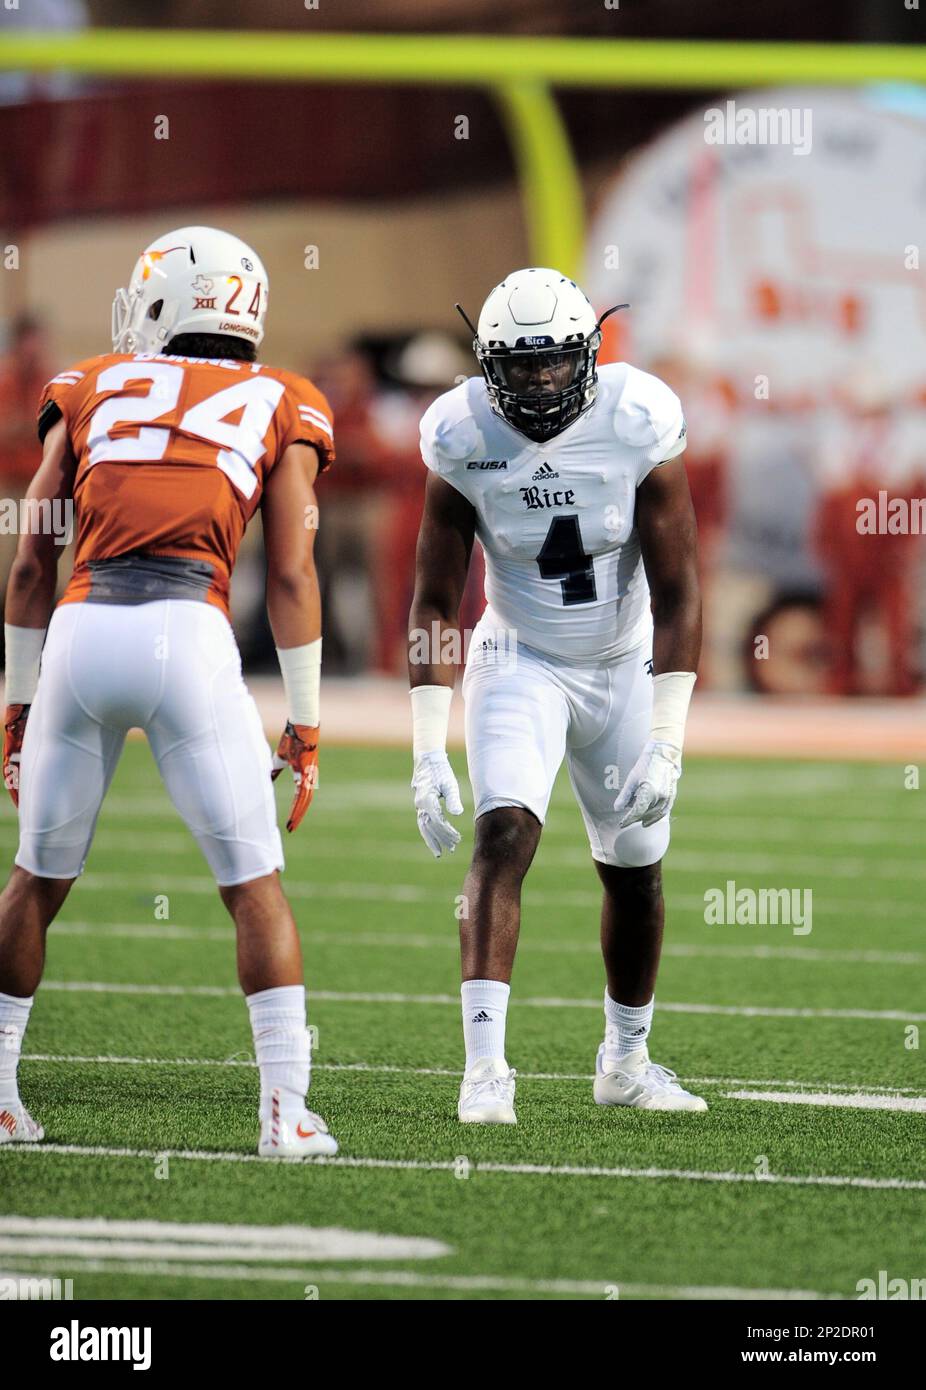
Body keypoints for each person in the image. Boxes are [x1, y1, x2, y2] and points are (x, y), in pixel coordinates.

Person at [0, 226, 338, 1157]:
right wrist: (305, 722)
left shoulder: (93, 381)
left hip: (80, 629)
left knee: (36, 879)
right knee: (254, 887)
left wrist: (18, 700)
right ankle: (283, 1114)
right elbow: (297, 572)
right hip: (190, 634)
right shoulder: (285, 399)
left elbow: (33, 554)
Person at [407, 267, 705, 1123]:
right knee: (503, 834)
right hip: (520, 656)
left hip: (621, 661)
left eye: (553, 362)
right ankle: (485, 1069)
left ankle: (626, 1059)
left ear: (588, 355)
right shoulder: (461, 433)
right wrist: (428, 745)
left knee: (636, 872)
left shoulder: (638, 419)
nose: (538, 380)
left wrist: (669, 737)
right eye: (520, 364)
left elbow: (682, 592)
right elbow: (433, 600)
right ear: (487, 363)